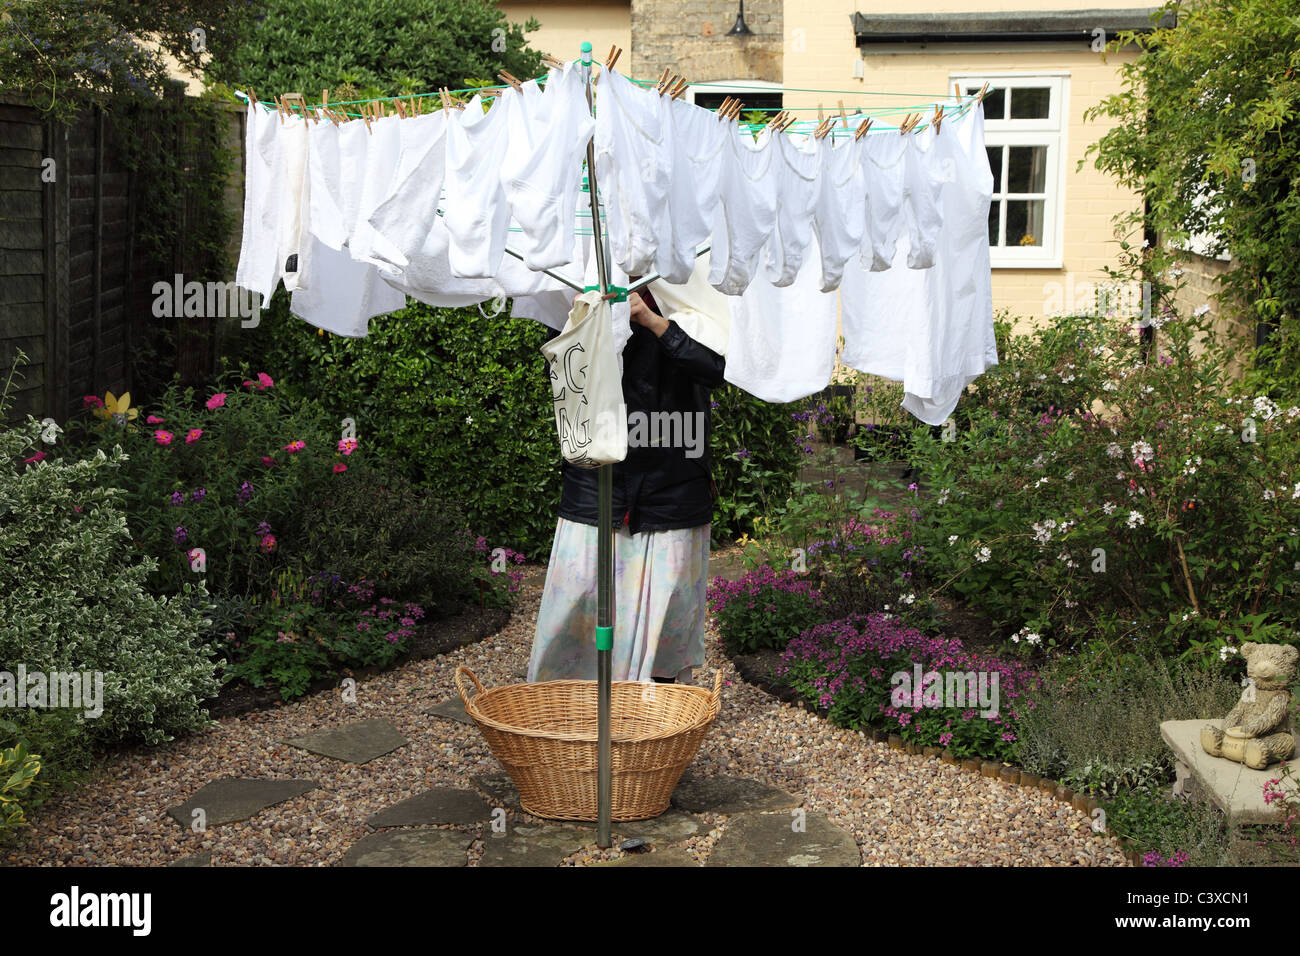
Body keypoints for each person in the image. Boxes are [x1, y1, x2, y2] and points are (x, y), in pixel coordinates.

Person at [528, 281, 725, 685]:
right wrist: (589, 321)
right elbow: (561, 372)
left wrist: (655, 323)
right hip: (597, 488)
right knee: (577, 602)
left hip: (674, 487)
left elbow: (716, 370)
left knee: (664, 610)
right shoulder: (580, 301)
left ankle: (653, 713)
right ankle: (569, 707)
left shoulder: (693, 301)